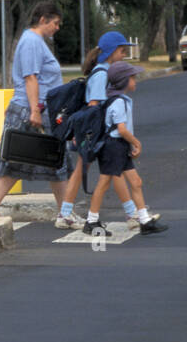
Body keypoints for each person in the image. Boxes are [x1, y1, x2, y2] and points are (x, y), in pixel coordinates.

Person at [0, 1, 69, 217]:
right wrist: (35, 111)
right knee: (52, 158)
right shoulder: (31, 42)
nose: (57, 28)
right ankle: (66, 212)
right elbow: (30, 78)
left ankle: (65, 212)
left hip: (37, 108)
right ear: (42, 20)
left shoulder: (36, 41)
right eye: (55, 23)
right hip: (32, 110)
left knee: (45, 160)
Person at [54, 31, 145, 230]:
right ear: (111, 51)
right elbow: (94, 105)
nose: (123, 55)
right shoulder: (102, 73)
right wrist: (86, 136)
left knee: (114, 170)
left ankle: (131, 214)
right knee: (84, 170)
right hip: (95, 133)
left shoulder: (103, 70)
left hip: (97, 133)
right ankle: (65, 214)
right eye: (121, 51)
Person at [84, 61, 166, 235]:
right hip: (113, 147)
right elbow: (121, 129)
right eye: (132, 78)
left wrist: (128, 145)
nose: (135, 81)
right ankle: (91, 221)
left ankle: (144, 221)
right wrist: (136, 142)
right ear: (123, 81)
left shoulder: (119, 100)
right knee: (104, 183)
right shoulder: (118, 102)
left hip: (119, 146)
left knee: (136, 182)